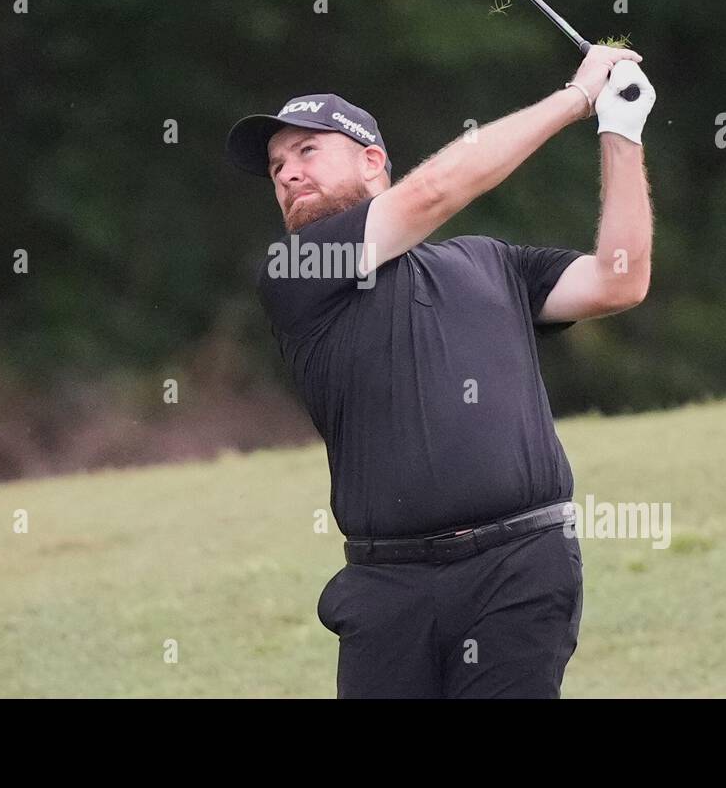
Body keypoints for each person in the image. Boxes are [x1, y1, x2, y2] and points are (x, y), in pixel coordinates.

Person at [225, 46, 656, 698]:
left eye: (306, 151)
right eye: (277, 165)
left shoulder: (490, 262)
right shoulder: (295, 270)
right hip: (387, 588)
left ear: (373, 162)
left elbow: (618, 280)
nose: (285, 173)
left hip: (522, 568)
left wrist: (620, 134)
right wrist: (575, 98)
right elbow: (433, 190)